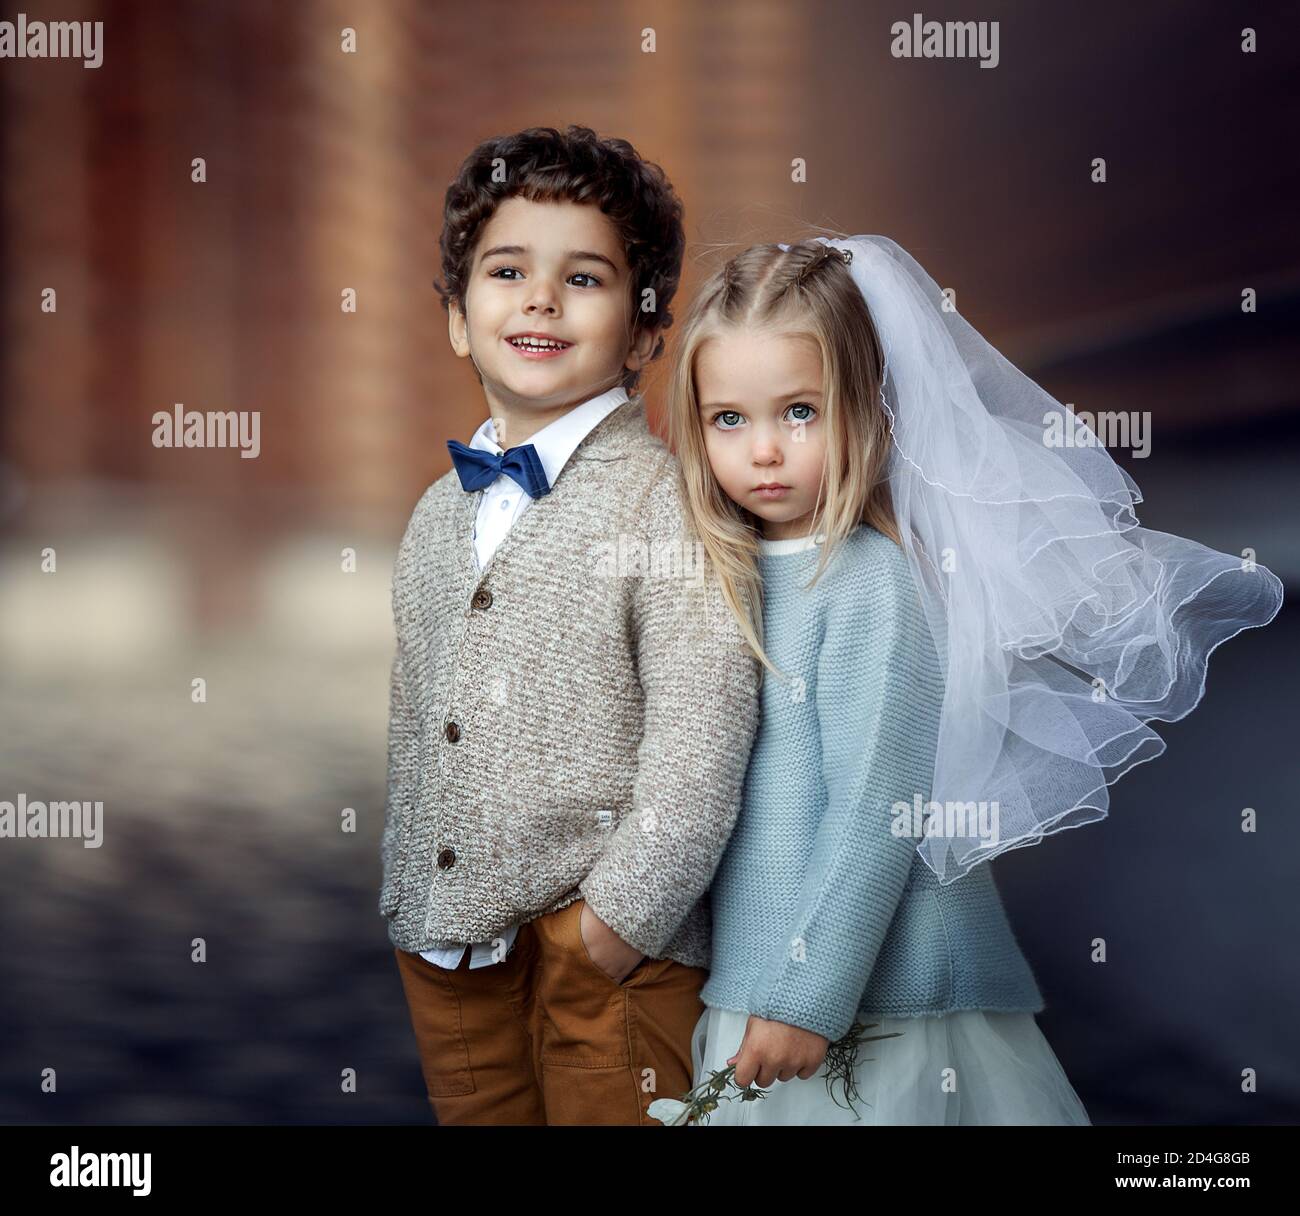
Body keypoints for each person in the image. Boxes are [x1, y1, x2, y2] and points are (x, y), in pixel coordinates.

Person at [652, 233, 1283, 1125]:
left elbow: (878, 804)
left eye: (800, 411)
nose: (764, 451)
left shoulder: (872, 583)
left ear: (868, 408)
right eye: (729, 419)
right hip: (759, 981)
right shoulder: (738, 571)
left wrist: (804, 996)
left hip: (873, 999)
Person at [380, 126, 760, 1125]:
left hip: (610, 963)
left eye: (584, 278)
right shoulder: (433, 516)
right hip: (450, 952)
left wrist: (613, 925)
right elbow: (419, 724)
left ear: (641, 336)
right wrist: (412, 897)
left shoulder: (666, 505)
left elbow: (701, 744)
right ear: (460, 319)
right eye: (507, 271)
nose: (540, 298)